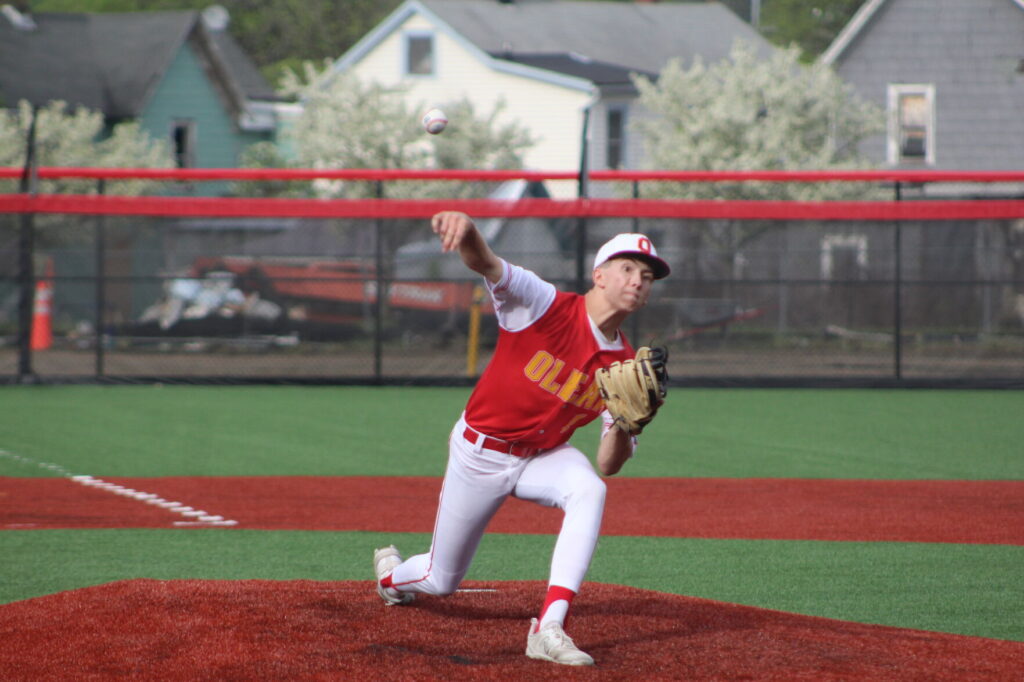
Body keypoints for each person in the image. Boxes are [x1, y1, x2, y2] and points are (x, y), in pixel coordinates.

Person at [373, 210, 670, 666]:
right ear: (600, 275)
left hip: (543, 456)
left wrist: (633, 424)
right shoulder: (544, 304)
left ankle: (549, 627)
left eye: (647, 276)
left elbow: (609, 462)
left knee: (591, 487)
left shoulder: (626, 366)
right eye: (628, 269)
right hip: (480, 452)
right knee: (439, 579)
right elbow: (486, 262)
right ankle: (391, 578)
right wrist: (466, 226)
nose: (638, 281)